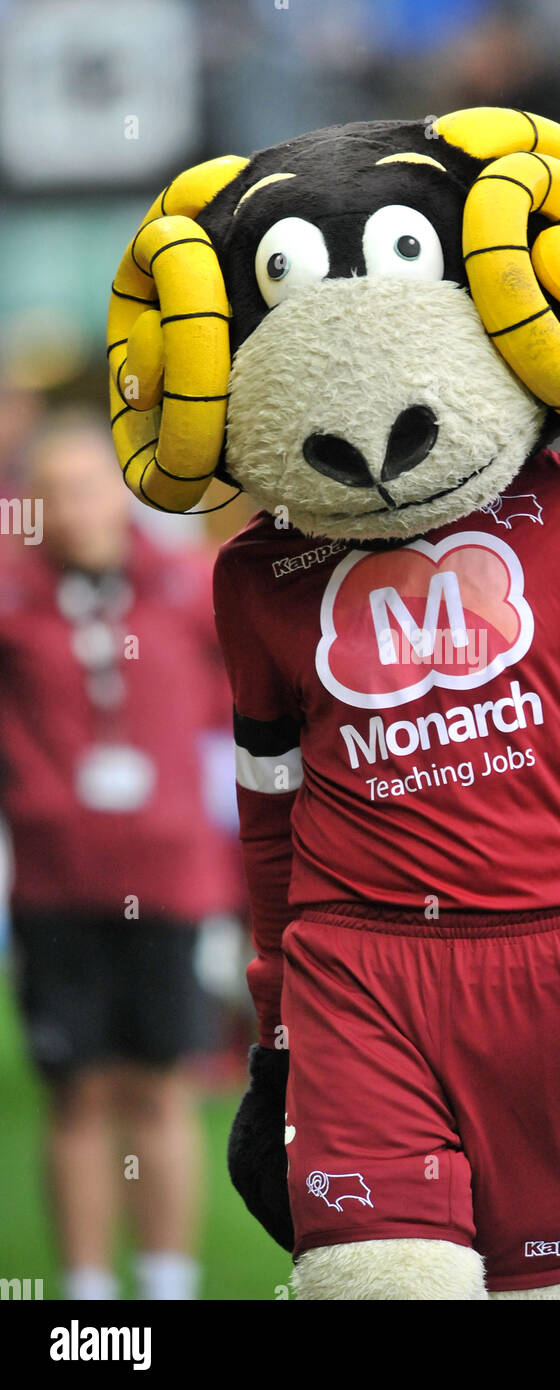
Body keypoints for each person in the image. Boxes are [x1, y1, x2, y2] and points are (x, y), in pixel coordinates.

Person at [0, 410, 240, 1300]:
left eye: (93, 484)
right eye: (56, 491)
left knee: (163, 1086)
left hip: (172, 882)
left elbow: (255, 689)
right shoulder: (14, 599)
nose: (78, 507)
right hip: (56, 888)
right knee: (78, 1093)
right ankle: (89, 1300)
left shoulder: (185, 589)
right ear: (31, 504)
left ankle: (168, 1287)